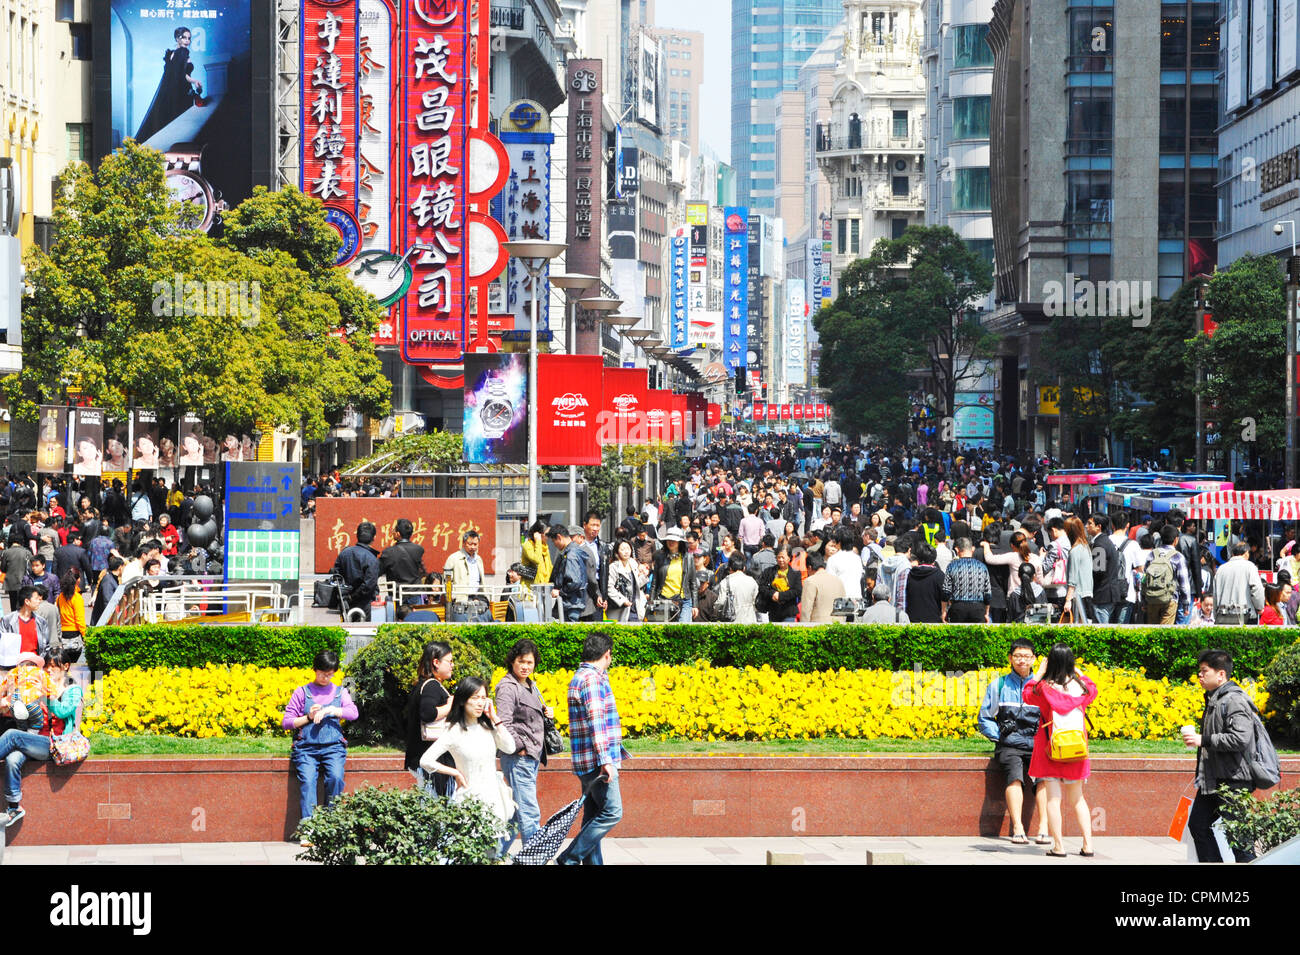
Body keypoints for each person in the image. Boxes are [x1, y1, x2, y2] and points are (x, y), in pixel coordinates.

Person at [1182, 649, 1266, 863]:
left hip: (1234, 780)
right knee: (1198, 826)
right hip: (1214, 779)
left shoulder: (1234, 700)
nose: (1200, 676)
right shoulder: (1214, 698)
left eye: (1204, 671)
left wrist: (1205, 740)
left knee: (1239, 841)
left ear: (1221, 674)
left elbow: (1240, 739)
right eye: (1199, 671)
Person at [419, 677, 516, 856]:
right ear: (463, 700)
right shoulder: (454, 731)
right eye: (475, 698)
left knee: (491, 854)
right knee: (470, 855)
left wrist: (495, 718)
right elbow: (425, 760)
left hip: (493, 799)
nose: (480, 703)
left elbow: (510, 747)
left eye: (483, 698)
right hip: (469, 802)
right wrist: (454, 772)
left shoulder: (488, 727)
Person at [556, 631, 628, 866]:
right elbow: (597, 722)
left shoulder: (580, 676)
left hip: (586, 761)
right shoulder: (592, 679)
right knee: (612, 812)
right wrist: (606, 761)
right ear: (607, 655)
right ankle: (568, 858)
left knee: (592, 817)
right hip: (597, 761)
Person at [1023, 643, 1098, 857]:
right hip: (1076, 750)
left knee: (1053, 799)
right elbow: (1093, 689)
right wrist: (1081, 675)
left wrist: (1037, 675)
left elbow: (1027, 695)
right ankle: (1088, 845)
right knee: (1078, 799)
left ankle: (1058, 846)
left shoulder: (1043, 688)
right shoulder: (1082, 689)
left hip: (1051, 750)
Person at [0, 647, 83, 828]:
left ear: (66, 667)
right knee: (12, 759)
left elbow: (63, 712)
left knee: (12, 736)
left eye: (54, 666)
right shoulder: (38, 686)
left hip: (54, 743)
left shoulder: (72, 689)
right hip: (33, 739)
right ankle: (14, 807)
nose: (49, 670)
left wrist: (49, 696)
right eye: (47, 667)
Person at [977, 639, 1050, 845]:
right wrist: (999, 736)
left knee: (1042, 779)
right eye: (1017, 656)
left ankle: (1044, 826)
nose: (1022, 660)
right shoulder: (998, 685)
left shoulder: (1041, 685)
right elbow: (985, 717)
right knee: (1014, 777)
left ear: (1034, 658)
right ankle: (1017, 827)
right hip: (1009, 745)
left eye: (1026, 656)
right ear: (1010, 658)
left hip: (1037, 744)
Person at [281, 650, 358, 841]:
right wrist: (307, 717)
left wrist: (334, 710)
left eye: (330, 673)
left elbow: (353, 713)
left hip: (333, 747)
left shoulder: (341, 692)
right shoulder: (302, 692)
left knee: (336, 778)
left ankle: (330, 825)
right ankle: (309, 829)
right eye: (323, 673)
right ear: (315, 670)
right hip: (306, 748)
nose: (326, 677)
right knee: (307, 782)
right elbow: (286, 722)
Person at [494, 639, 554, 854]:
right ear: (512, 661)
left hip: (531, 756)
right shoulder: (507, 687)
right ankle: (534, 858)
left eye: (530, 662)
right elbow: (503, 722)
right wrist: (520, 746)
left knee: (518, 814)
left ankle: (492, 856)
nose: (525, 666)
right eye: (521, 661)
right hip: (519, 757)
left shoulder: (530, 684)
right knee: (529, 813)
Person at [404, 641, 455, 796]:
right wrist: (450, 706)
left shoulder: (424, 684)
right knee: (435, 803)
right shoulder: (432, 685)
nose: (453, 665)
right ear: (436, 662)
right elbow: (428, 714)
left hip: (426, 758)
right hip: (430, 760)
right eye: (450, 661)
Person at [1212, 541, 1265, 625]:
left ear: (1233, 554)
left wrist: (1215, 614)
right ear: (1247, 553)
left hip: (1223, 615)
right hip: (1245, 615)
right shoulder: (1250, 566)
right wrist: (1260, 607)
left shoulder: (1221, 569)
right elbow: (1256, 588)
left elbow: (1215, 594)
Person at [332, 522, 380, 612]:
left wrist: (348, 596)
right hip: (365, 604)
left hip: (345, 602)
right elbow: (368, 586)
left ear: (357, 535)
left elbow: (336, 576)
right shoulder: (371, 558)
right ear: (374, 538)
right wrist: (352, 597)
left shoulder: (344, 553)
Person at [943, 536, 992, 623]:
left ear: (957, 550)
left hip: (957, 608)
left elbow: (946, 592)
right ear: (972, 549)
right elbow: (987, 593)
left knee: (958, 636)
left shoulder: (952, 566)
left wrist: (944, 611)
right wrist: (986, 612)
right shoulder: (982, 567)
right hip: (978, 608)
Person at [379, 518, 426, 602]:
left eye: (394, 530)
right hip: (415, 594)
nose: (392, 532)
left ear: (398, 534)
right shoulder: (418, 550)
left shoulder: (388, 553)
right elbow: (422, 571)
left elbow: (378, 570)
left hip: (398, 596)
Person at [1, 586, 50, 659]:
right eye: (36, 599)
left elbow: (46, 646)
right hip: (14, 665)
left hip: (35, 665)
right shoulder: (8, 620)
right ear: (27, 601)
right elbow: (2, 644)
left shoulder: (41, 622)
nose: (39, 601)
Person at [606, 538, 648, 622]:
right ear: (617, 552)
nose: (626, 552)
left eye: (628, 549)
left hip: (636, 606)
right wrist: (623, 601)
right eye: (622, 549)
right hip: (621, 608)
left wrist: (644, 575)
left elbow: (636, 585)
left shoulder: (633, 563)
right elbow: (609, 588)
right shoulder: (613, 567)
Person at [758, 545, 802, 622]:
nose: (781, 560)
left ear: (789, 558)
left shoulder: (795, 573)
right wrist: (772, 594)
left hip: (789, 612)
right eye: (779, 557)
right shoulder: (769, 572)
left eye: (783, 557)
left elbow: (797, 590)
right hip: (773, 611)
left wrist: (780, 596)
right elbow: (762, 587)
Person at [800, 550, 844, 623]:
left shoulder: (810, 581)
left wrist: (803, 629)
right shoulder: (838, 580)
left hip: (818, 626)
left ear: (809, 568)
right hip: (838, 625)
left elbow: (806, 610)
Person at [716, 553, 759, 624]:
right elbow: (757, 602)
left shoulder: (725, 582)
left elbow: (721, 602)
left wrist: (716, 611)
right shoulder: (752, 580)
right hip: (750, 620)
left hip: (731, 621)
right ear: (744, 568)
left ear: (730, 568)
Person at [55, 570, 86, 653]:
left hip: (62, 633)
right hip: (74, 634)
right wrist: (85, 635)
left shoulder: (59, 597)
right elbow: (79, 620)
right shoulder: (77, 598)